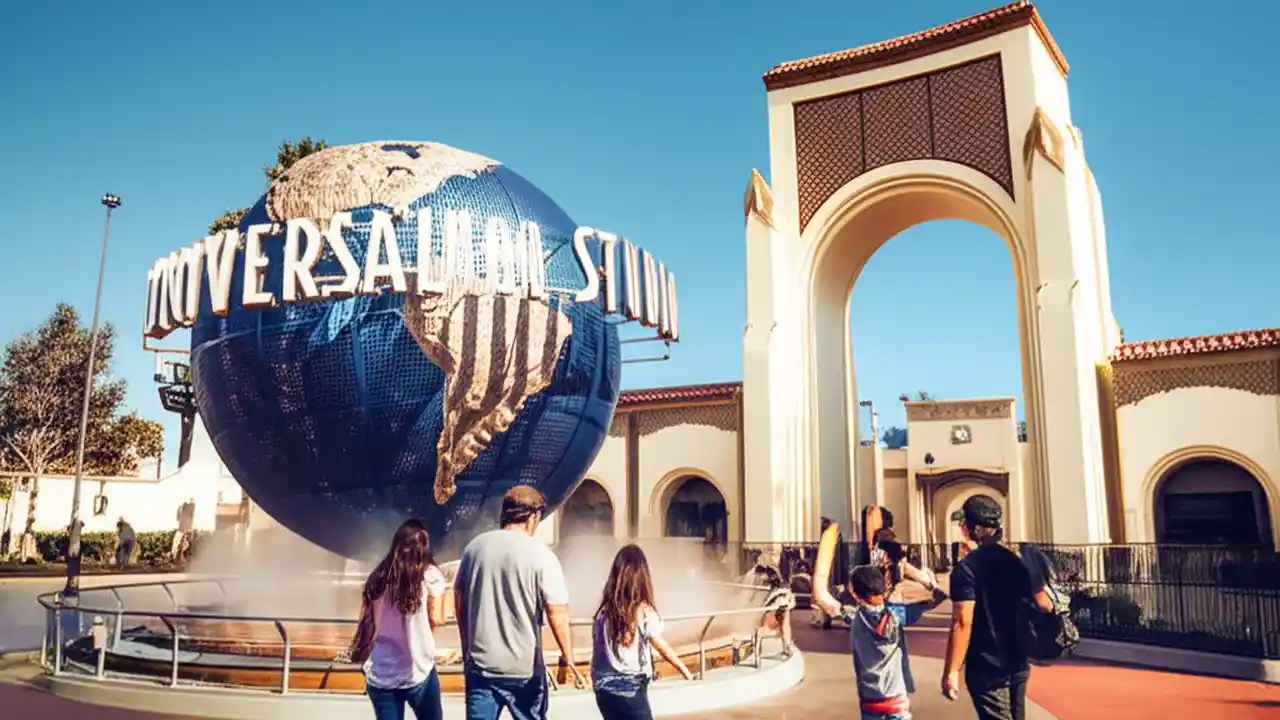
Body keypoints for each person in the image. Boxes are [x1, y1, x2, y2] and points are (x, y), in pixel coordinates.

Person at [455, 486, 586, 720]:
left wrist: (467, 649)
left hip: (481, 666)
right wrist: (569, 658)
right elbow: (557, 613)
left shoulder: (474, 549)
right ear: (533, 516)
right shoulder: (541, 555)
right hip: (523, 668)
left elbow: (460, 604)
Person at [941, 496, 1051, 720]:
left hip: (987, 665)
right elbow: (1044, 605)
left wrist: (952, 670)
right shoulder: (1018, 561)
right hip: (1018, 660)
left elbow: (962, 621)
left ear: (974, 529)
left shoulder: (967, 569)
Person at [813, 565, 945, 720]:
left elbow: (828, 602)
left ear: (855, 594)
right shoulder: (897, 614)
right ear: (884, 588)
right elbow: (933, 601)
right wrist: (933, 590)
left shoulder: (855, 617)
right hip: (896, 698)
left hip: (870, 699)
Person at [350, 519, 447, 720]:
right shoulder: (430, 575)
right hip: (418, 669)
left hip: (381, 670)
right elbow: (437, 617)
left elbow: (367, 619)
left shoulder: (378, 577)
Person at [591, 545, 694, 719]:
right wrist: (686, 671)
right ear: (643, 578)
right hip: (633, 690)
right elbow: (663, 648)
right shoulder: (644, 612)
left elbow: (598, 652)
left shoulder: (603, 614)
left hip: (604, 691)